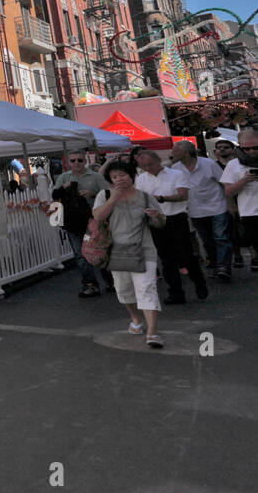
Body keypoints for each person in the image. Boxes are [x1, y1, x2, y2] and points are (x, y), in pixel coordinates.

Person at [92, 160, 167, 349]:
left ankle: (153, 332)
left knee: (147, 289)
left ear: (131, 175)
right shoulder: (105, 194)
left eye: (122, 175)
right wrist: (113, 199)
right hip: (117, 250)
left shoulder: (144, 196)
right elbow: (98, 216)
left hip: (144, 250)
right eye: (114, 176)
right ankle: (135, 319)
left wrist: (156, 217)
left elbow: (161, 223)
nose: (119, 179)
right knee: (124, 290)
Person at [137, 148, 207, 303]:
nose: (148, 169)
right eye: (144, 166)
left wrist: (161, 198)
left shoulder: (176, 174)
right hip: (156, 220)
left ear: (157, 161)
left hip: (176, 218)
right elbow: (140, 199)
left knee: (186, 254)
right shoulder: (142, 179)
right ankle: (176, 293)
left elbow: (183, 195)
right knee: (166, 258)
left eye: (150, 164)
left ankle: (198, 281)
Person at [169, 139, 232, 281]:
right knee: (207, 240)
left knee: (221, 237)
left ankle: (224, 267)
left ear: (186, 152)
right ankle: (216, 265)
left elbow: (224, 183)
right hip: (195, 209)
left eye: (176, 151)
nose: (172, 153)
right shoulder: (176, 169)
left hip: (217, 206)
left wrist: (230, 204)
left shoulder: (208, 164)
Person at [53, 150, 108, 298]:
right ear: (69, 162)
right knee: (80, 254)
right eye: (73, 161)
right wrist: (64, 188)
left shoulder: (95, 176)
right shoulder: (64, 177)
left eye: (79, 160)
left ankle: (110, 280)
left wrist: (93, 194)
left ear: (85, 161)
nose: (76, 163)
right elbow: (54, 195)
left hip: (93, 220)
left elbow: (108, 194)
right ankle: (90, 284)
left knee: (100, 252)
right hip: (73, 221)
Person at [211, 139, 253, 271]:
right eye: (219, 147)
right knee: (231, 230)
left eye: (226, 147)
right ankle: (237, 256)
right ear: (215, 151)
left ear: (233, 150)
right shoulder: (214, 165)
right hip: (223, 201)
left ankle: (254, 256)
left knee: (248, 229)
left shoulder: (241, 163)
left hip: (244, 199)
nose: (222, 149)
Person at [220, 128, 258, 259]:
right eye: (246, 149)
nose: (251, 151)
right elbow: (228, 191)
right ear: (240, 145)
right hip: (250, 214)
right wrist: (243, 181)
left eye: (255, 147)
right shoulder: (233, 165)